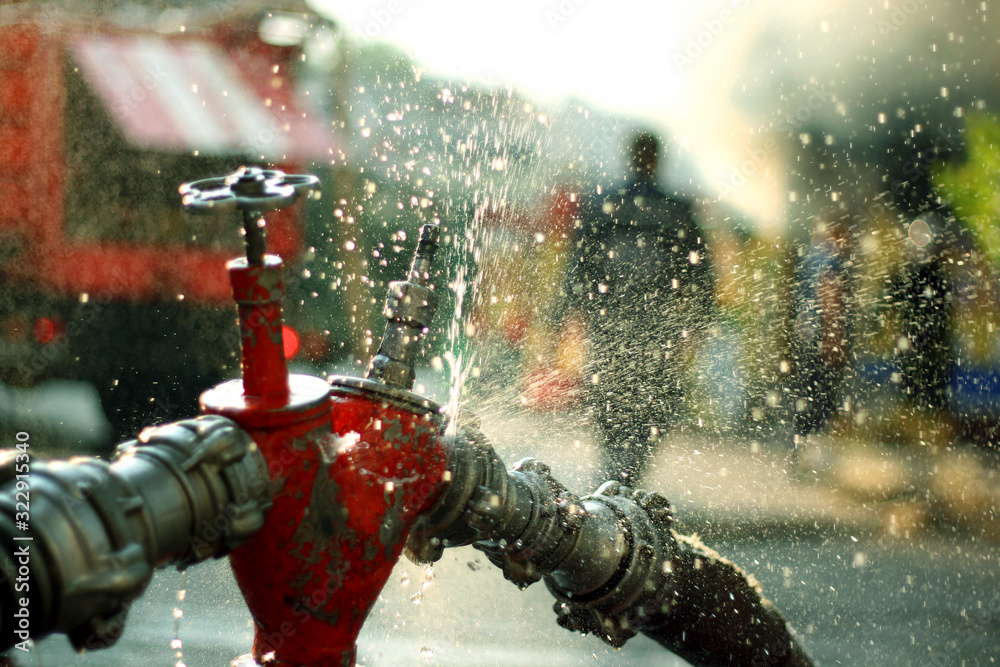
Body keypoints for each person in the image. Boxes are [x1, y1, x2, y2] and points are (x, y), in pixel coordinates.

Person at [561, 131, 714, 483]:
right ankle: (630, 472)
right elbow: (699, 276)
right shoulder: (676, 211)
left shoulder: (603, 204)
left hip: (609, 324)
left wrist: (571, 317)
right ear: (656, 160)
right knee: (655, 402)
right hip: (657, 328)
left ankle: (614, 472)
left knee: (608, 398)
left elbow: (578, 268)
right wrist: (697, 325)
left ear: (631, 158)